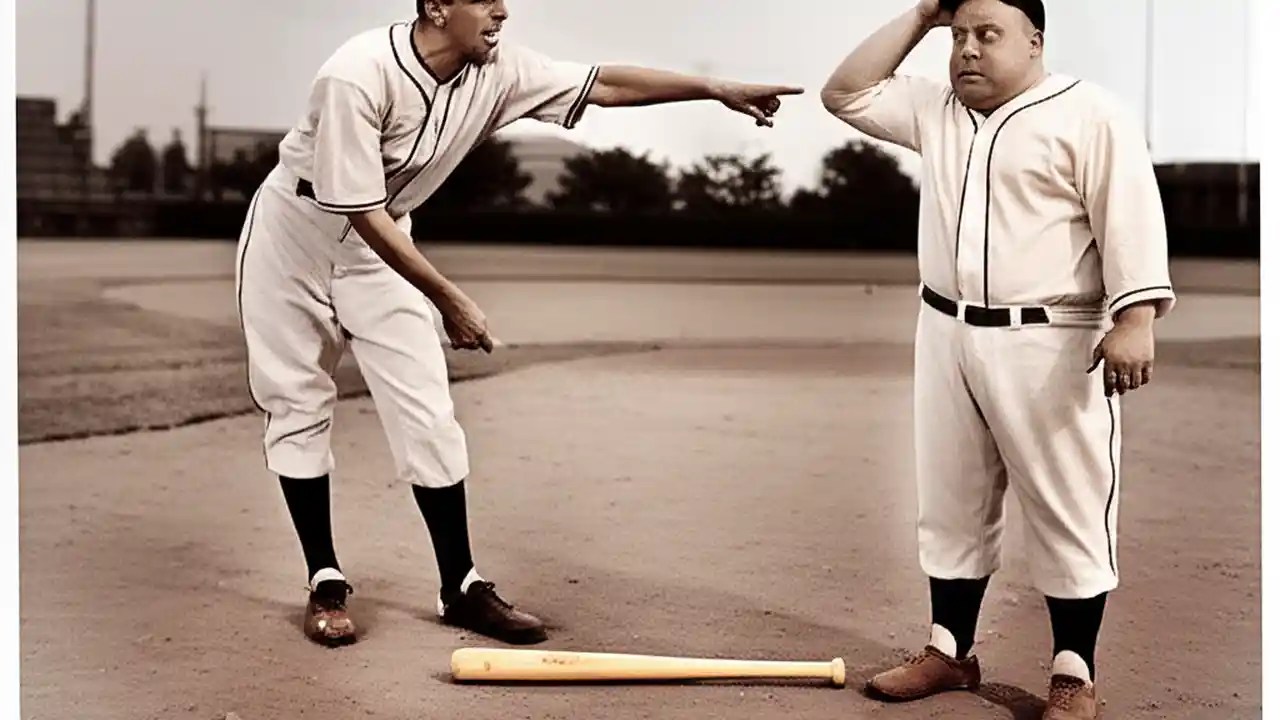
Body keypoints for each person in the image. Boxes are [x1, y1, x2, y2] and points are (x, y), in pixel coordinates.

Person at [233, 0, 802, 649]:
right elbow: (359, 208)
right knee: (298, 401)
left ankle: (461, 585)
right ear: (437, 7)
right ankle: (325, 580)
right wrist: (449, 299)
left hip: (380, 248)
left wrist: (714, 88)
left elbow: (605, 83)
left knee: (428, 411)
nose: (503, 11)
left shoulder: (499, 70)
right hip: (294, 238)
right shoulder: (356, 74)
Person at [820, 1, 1174, 717]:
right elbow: (845, 93)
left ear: (1035, 42)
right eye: (959, 36)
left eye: (988, 35)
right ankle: (949, 652)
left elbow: (1130, 216)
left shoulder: (1091, 113)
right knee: (951, 500)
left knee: (1069, 503)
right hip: (945, 330)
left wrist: (1135, 318)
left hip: (1052, 337)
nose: (968, 50)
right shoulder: (937, 110)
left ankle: (1074, 674)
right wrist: (923, 14)